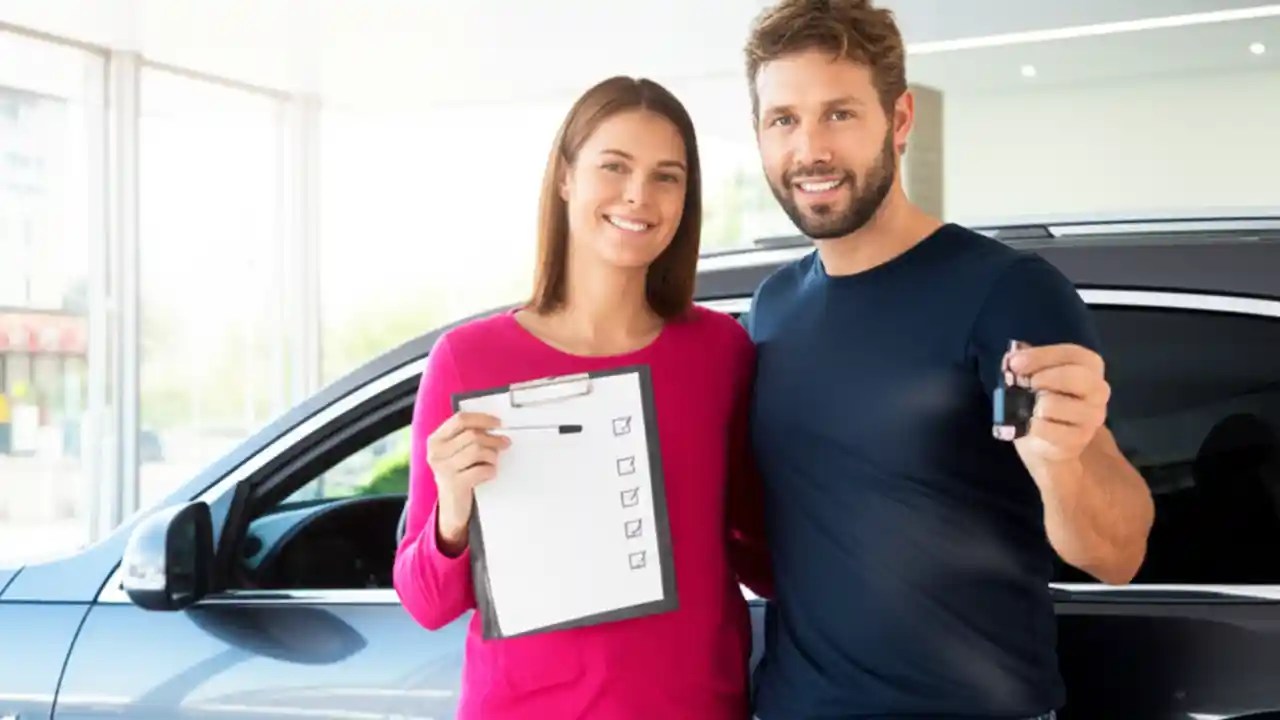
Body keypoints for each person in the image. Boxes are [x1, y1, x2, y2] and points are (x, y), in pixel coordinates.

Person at [739, 2, 1156, 718]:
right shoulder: (770, 309)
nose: (809, 149)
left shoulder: (1005, 291)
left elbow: (1116, 554)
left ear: (899, 121)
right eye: (783, 119)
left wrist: (1060, 459)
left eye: (839, 114)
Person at [392, 75, 771, 720]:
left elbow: (757, 550)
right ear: (566, 176)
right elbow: (427, 604)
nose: (637, 196)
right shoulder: (467, 360)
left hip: (695, 706)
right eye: (614, 166)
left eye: (666, 176)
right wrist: (453, 511)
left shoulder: (720, 352)